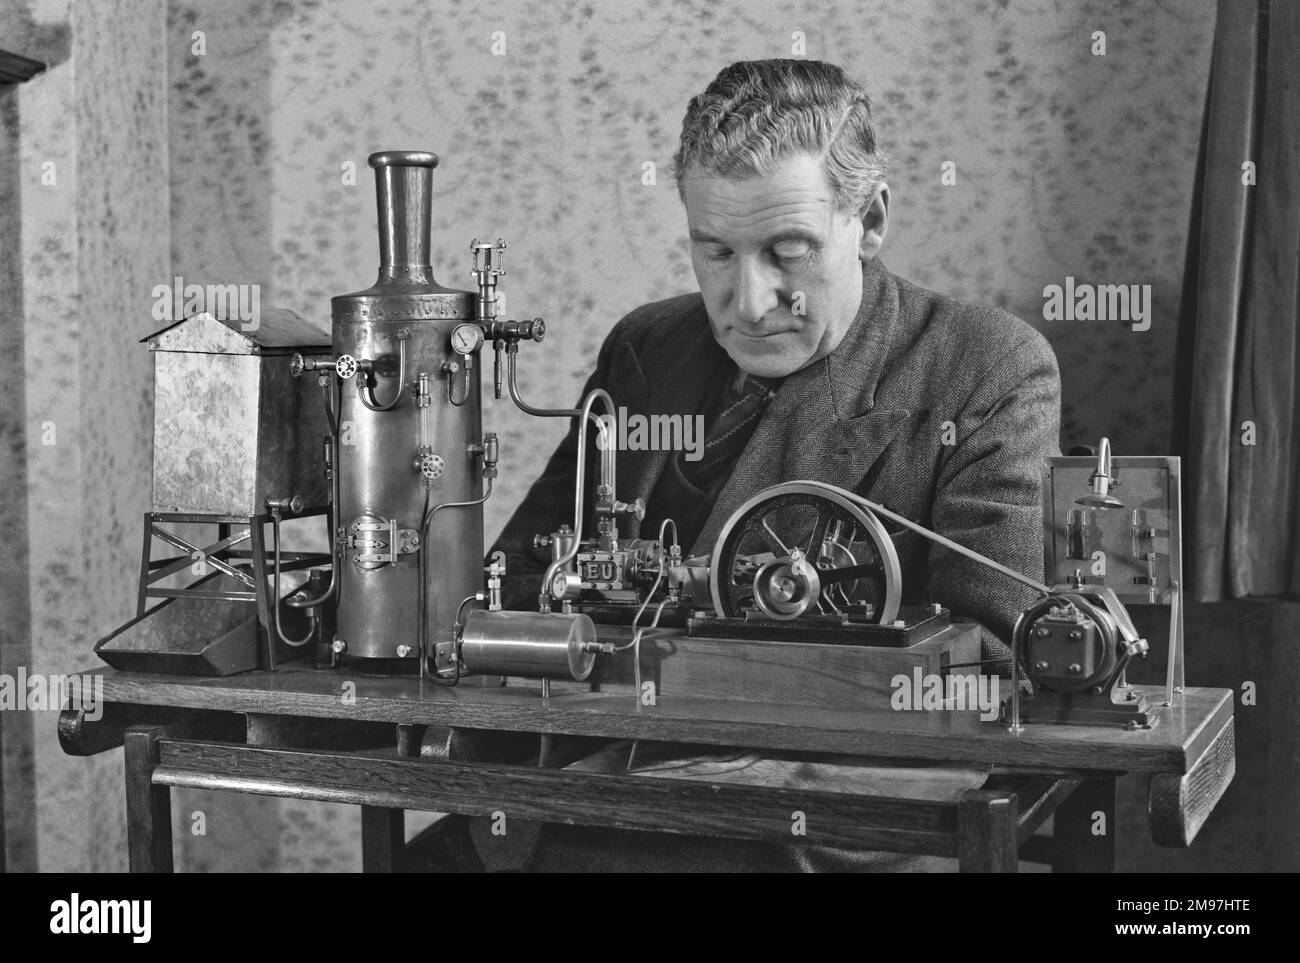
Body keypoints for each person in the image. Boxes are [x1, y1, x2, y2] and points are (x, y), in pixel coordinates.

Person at [488, 58, 1061, 871]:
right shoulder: (649, 347)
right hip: (598, 784)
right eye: (715, 252)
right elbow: (521, 575)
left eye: (787, 252)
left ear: (870, 221)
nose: (750, 302)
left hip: (825, 820)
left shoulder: (986, 368)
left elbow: (999, 666)